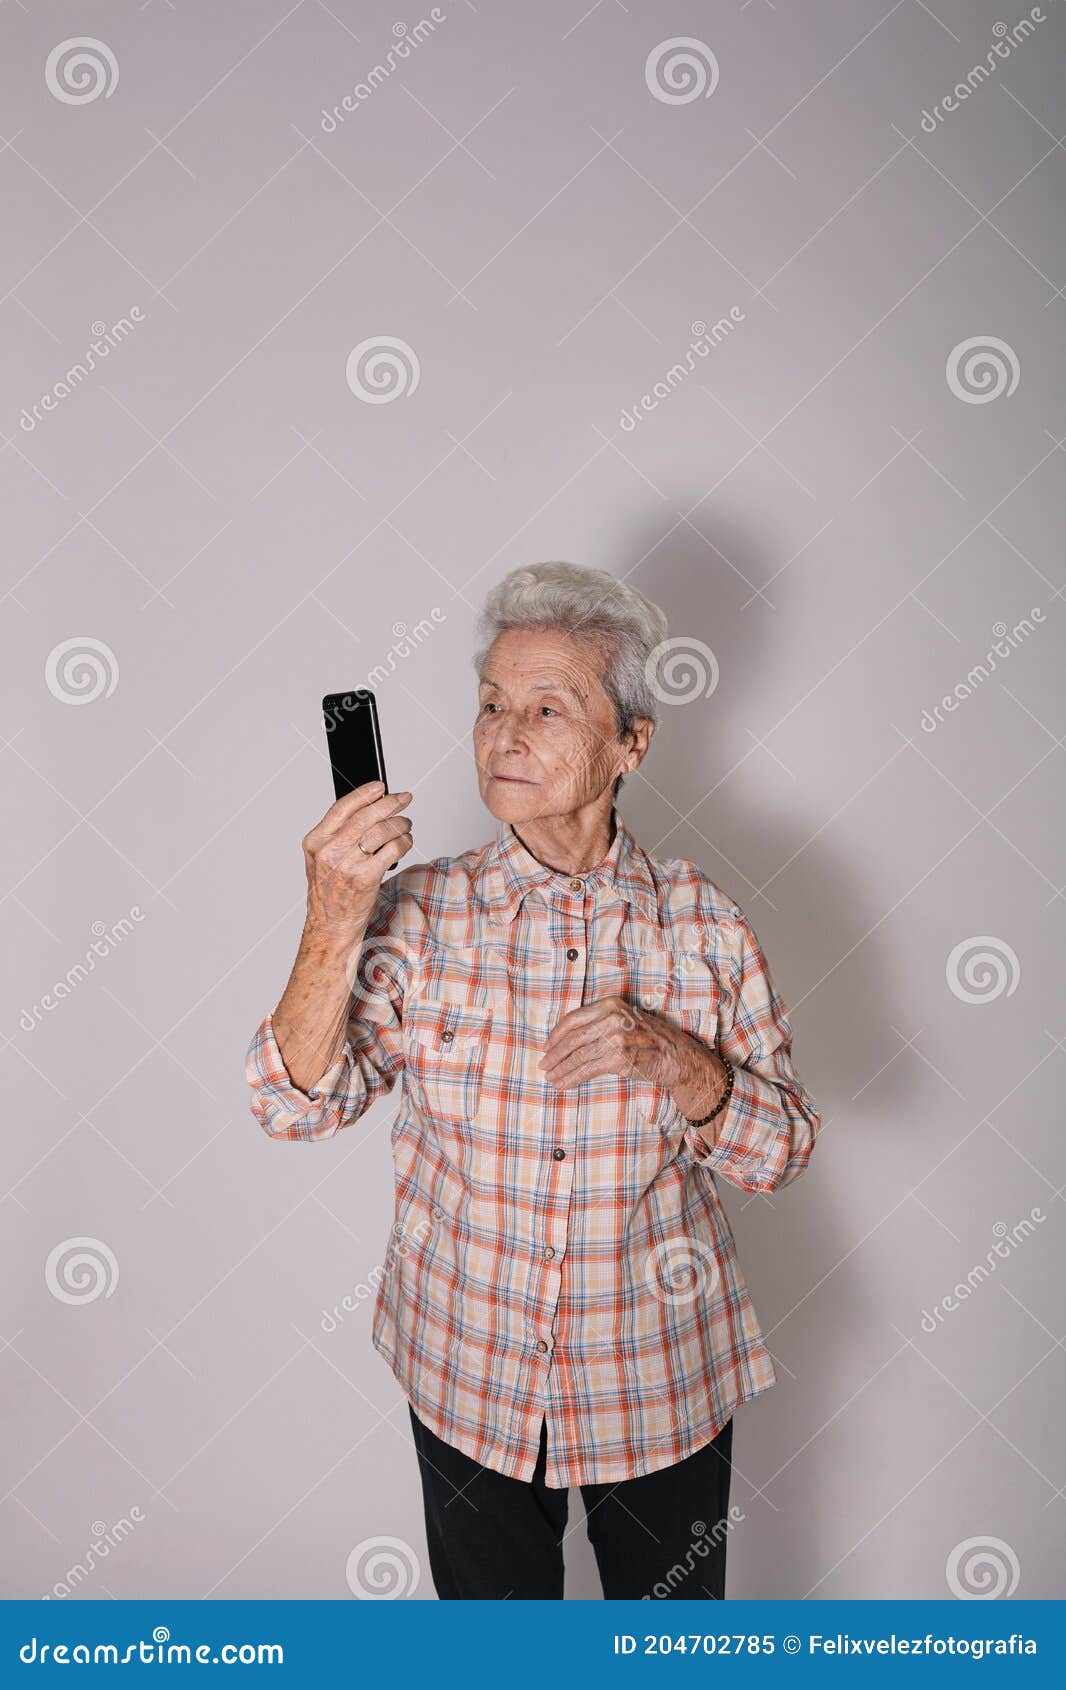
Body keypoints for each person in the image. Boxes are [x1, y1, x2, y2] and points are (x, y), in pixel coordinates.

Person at [245, 560, 821, 1600]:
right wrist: (334, 911)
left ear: (629, 743)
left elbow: (779, 1150)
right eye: (490, 705)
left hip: (657, 1380)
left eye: (547, 709)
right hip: (464, 1371)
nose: (503, 734)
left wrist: (673, 1056)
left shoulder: (703, 923)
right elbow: (289, 1105)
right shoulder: (414, 912)